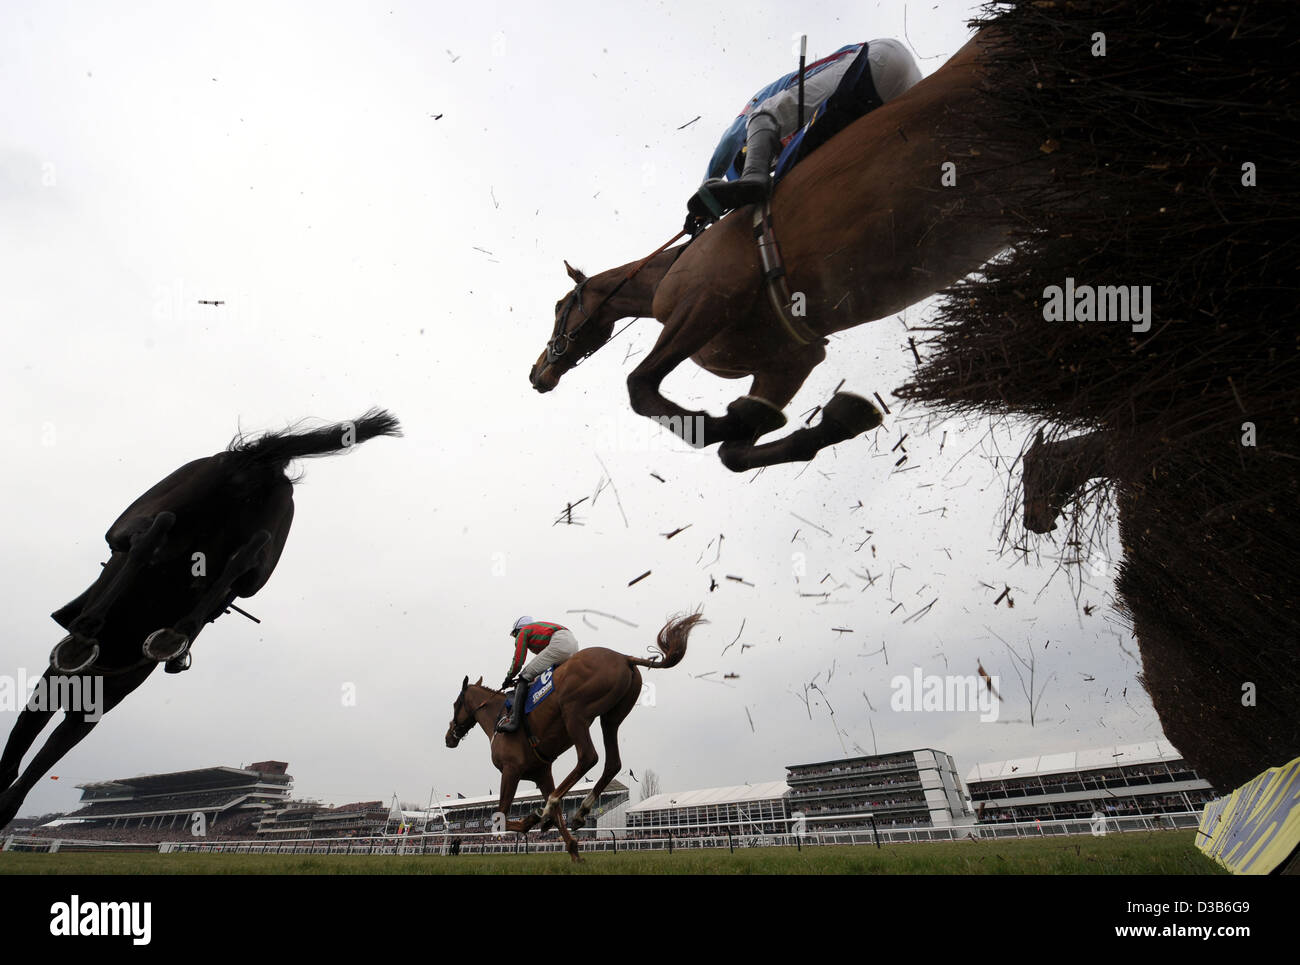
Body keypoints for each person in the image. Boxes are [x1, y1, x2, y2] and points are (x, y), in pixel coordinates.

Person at [686, 38, 921, 227]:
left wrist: (705, 191)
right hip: (902, 104)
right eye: (767, 164)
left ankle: (752, 178)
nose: (771, 159)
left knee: (764, 114)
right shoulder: (788, 143)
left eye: (750, 159)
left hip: (878, 60)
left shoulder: (763, 100)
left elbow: (730, 139)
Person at [496, 616, 580, 733]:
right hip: (573, 644)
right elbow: (543, 667)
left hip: (560, 643)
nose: (515, 638)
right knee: (538, 678)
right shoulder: (538, 630)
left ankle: (514, 721)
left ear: (518, 630)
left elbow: (518, 661)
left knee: (524, 675)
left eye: (515, 635)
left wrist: (509, 678)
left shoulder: (523, 632)